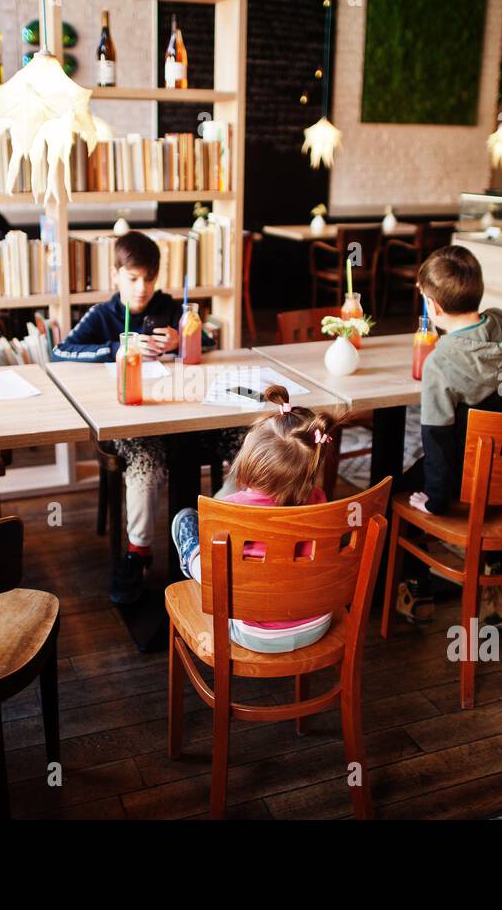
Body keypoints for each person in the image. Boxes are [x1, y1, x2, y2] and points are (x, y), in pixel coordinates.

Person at [53, 231, 238, 603]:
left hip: (186, 415)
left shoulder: (170, 308)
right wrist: (113, 347)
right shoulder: (104, 315)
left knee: (247, 442)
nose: (141, 288)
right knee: (146, 461)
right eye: (133, 278)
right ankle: (138, 552)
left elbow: (209, 344)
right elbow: (60, 351)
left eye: (149, 279)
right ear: (116, 275)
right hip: (133, 421)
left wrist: (181, 340)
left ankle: (221, 530)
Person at [400, 244, 502, 624]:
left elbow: (437, 442)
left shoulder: (442, 362)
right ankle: (499, 579)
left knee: (395, 490)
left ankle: (416, 589)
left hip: (471, 480)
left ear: (434, 306)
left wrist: (437, 501)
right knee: (470, 469)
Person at [171, 386, 339, 654]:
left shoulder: (230, 510)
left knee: (191, 531)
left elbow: (219, 572)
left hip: (254, 633)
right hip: (317, 622)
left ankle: (189, 559)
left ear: (248, 462)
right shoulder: (320, 499)